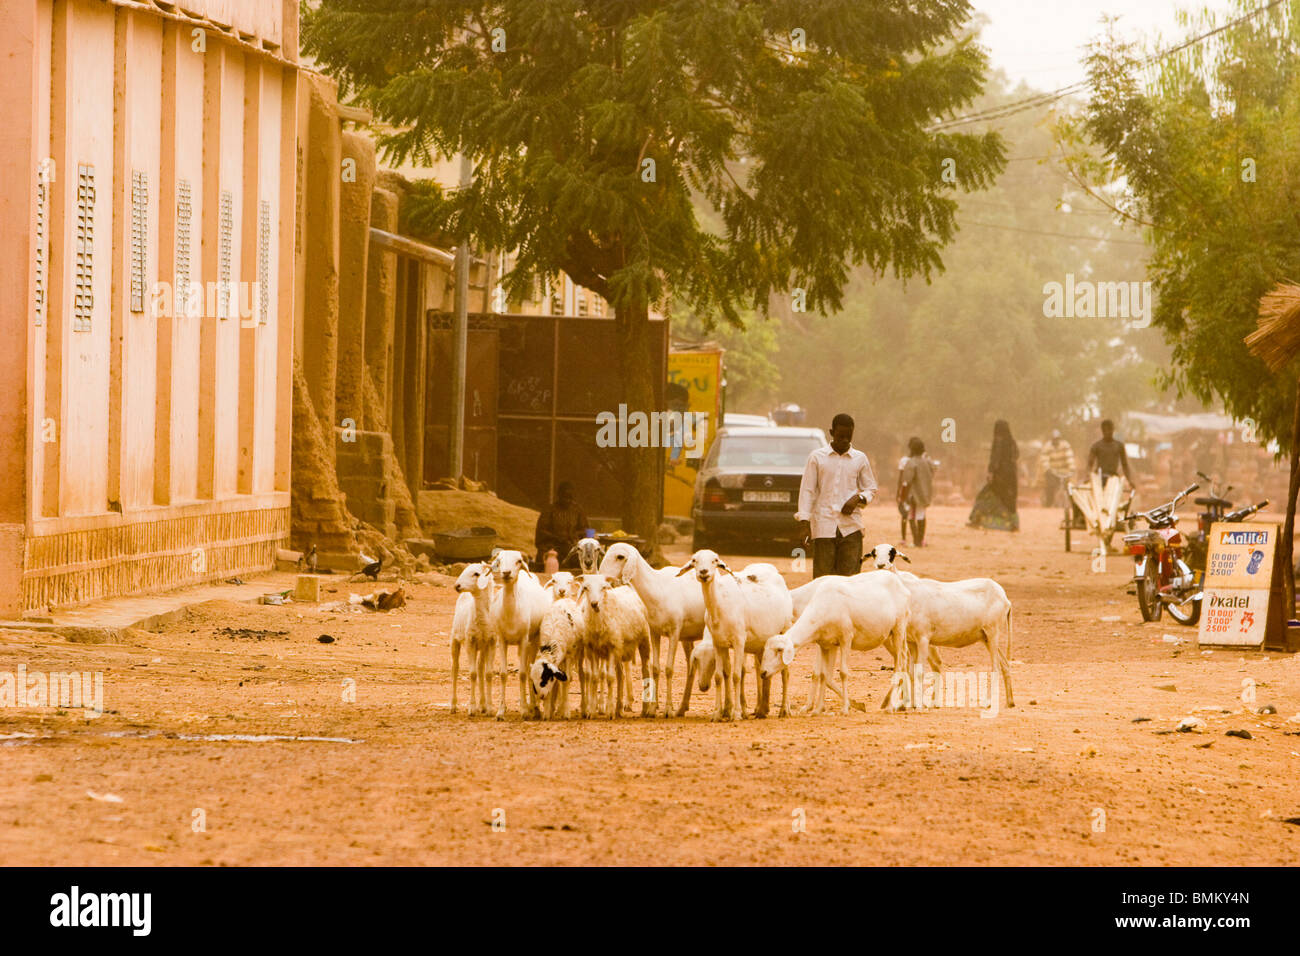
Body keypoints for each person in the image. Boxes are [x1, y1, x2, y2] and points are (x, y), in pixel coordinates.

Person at [796, 414, 877, 578]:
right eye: (841, 436)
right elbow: (807, 491)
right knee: (823, 581)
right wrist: (805, 523)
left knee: (850, 581)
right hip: (823, 527)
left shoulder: (860, 459)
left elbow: (871, 488)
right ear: (831, 432)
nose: (845, 440)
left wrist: (858, 499)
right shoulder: (817, 458)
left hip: (851, 528)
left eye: (849, 436)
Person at [968, 420, 1019, 532]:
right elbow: (1016, 455)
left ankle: (976, 519)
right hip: (1011, 476)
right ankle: (1014, 525)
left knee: (985, 496)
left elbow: (995, 458)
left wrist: (991, 472)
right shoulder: (1012, 442)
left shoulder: (998, 441)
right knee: (1009, 500)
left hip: (999, 476)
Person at [534, 481, 589, 570]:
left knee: (580, 556)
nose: (567, 500)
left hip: (571, 545)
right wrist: (557, 538)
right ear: (559, 496)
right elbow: (541, 531)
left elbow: (586, 530)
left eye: (570, 498)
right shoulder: (550, 510)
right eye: (565, 497)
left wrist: (575, 535)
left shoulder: (578, 510)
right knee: (545, 556)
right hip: (552, 545)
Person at [897, 437, 937, 547]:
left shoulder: (911, 462)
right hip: (925, 494)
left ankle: (916, 541)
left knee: (912, 516)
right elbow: (933, 471)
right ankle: (921, 540)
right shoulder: (927, 462)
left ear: (911, 449)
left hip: (914, 495)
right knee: (921, 516)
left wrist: (902, 496)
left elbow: (906, 482)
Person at [1086, 419, 1133, 486]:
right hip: (1099, 478)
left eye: (1110, 430)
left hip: (1113, 478)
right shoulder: (1096, 446)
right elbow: (1090, 464)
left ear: (1113, 430)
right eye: (1105, 430)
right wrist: (1088, 476)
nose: (1108, 432)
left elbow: (1124, 465)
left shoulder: (1119, 446)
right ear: (1102, 431)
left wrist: (1129, 480)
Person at [1040, 429, 1075, 507]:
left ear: (1060, 439)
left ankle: (1073, 504)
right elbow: (1044, 459)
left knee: (1069, 487)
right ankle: (1048, 503)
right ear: (1052, 439)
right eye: (1054, 439)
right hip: (1052, 471)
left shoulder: (1065, 445)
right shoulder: (1047, 446)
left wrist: (1072, 468)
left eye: (1057, 439)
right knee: (1050, 486)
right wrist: (1047, 468)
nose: (1056, 441)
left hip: (1064, 470)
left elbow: (1069, 457)